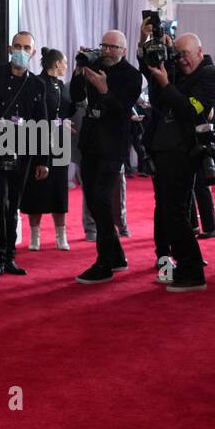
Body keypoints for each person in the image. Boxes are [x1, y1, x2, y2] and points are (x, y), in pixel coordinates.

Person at [143, 33, 215, 291]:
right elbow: (157, 102)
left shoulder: (210, 75)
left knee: (174, 212)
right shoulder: (177, 72)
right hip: (163, 149)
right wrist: (148, 42)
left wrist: (167, 84)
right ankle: (185, 266)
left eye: (185, 54)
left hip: (183, 152)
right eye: (178, 55)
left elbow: (189, 111)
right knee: (169, 212)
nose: (181, 60)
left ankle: (193, 272)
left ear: (200, 51)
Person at [71, 30, 142, 284]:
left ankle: (104, 263)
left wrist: (104, 89)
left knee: (101, 200)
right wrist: (78, 72)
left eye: (113, 47)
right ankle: (117, 256)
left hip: (113, 146)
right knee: (93, 200)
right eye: (104, 46)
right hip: (89, 143)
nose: (107, 51)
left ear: (123, 49)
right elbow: (76, 97)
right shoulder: (94, 64)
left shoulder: (132, 75)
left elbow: (123, 109)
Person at [0, 31, 49, 279]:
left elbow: (43, 123)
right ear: (9, 49)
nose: (21, 50)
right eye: (17, 46)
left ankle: (10, 258)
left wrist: (43, 160)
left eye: (26, 47)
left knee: (13, 205)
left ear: (33, 52)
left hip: (24, 152)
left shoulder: (37, 84)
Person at [23, 48, 74, 251]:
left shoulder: (61, 85)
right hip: (38, 140)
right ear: (56, 64)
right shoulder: (36, 83)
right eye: (65, 62)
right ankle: (35, 236)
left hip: (60, 142)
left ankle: (61, 235)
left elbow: (66, 110)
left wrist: (65, 123)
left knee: (59, 189)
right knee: (36, 189)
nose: (67, 66)